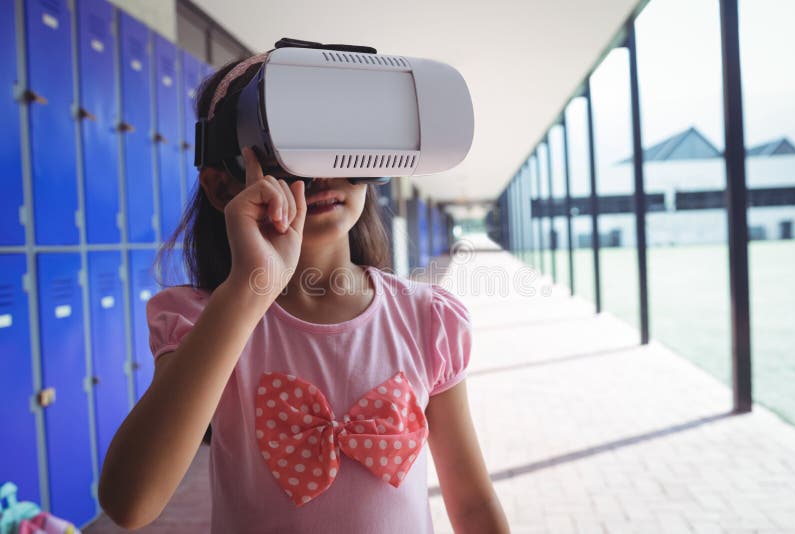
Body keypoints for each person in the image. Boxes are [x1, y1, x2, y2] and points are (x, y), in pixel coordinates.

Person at [98, 52, 509, 534]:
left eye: (342, 143)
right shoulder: (206, 320)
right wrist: (248, 291)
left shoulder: (427, 319)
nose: (321, 173)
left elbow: (473, 504)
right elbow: (130, 503)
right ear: (221, 187)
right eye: (287, 151)